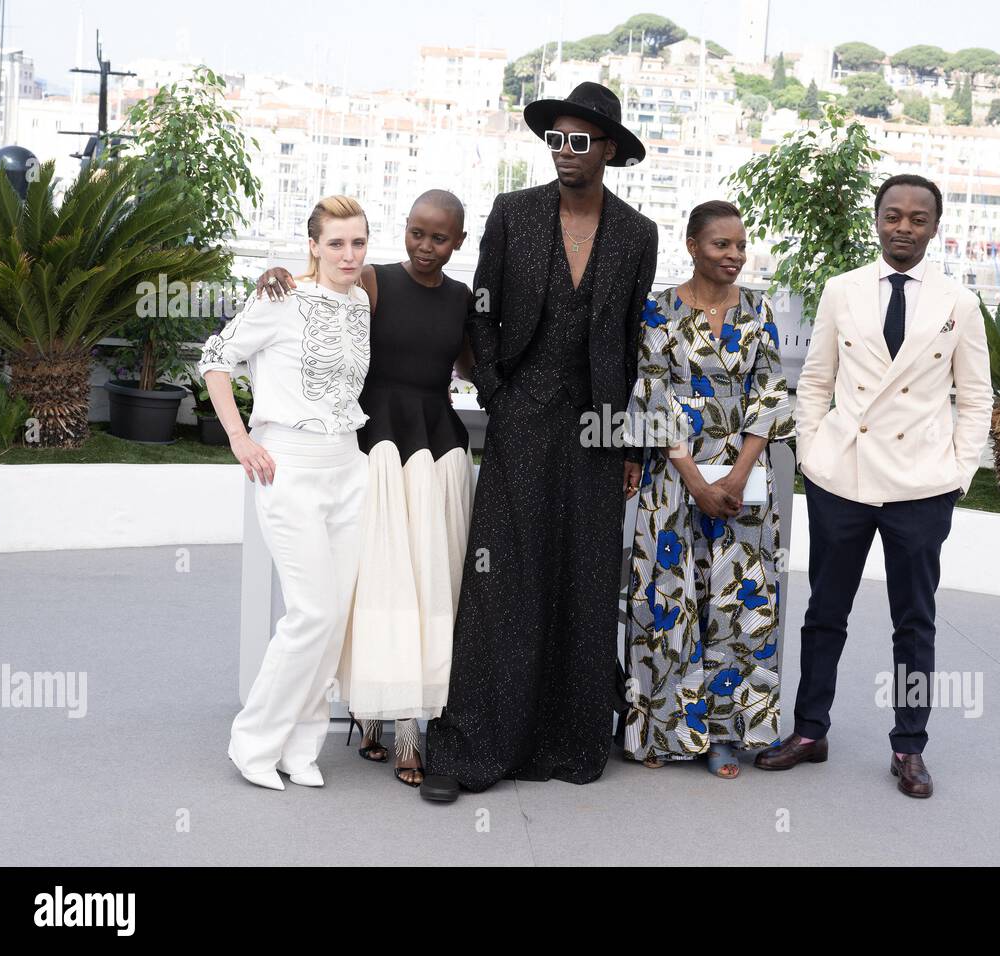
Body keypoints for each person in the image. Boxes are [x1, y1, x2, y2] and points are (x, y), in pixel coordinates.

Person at [421, 82, 658, 799]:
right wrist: (496, 391)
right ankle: (469, 748)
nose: (564, 152)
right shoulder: (513, 214)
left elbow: (629, 340)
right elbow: (482, 308)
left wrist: (626, 442)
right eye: (555, 139)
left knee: (584, 580)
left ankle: (569, 738)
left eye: (579, 141)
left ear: (608, 150)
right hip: (522, 416)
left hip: (595, 426)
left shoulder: (637, 233)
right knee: (502, 581)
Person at [756, 173, 993, 798]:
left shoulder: (957, 303)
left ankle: (909, 747)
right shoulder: (842, 290)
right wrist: (814, 453)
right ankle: (809, 730)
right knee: (824, 612)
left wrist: (958, 473)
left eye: (918, 218)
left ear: (935, 228)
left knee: (915, 621)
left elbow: (975, 398)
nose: (904, 227)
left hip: (922, 484)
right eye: (894, 215)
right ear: (878, 219)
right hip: (843, 476)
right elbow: (814, 381)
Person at [254, 191, 475, 789]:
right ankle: (370, 712)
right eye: (416, 233)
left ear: (459, 241)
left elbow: (478, 370)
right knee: (376, 583)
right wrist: (278, 274)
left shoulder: (462, 300)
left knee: (431, 584)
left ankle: (409, 724)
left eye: (440, 237)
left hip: (437, 448)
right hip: (374, 444)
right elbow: (321, 294)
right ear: (403, 230)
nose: (426, 246)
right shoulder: (373, 280)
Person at [200, 195, 372, 791]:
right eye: (336, 244)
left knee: (335, 616)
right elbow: (216, 360)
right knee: (312, 612)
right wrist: (239, 438)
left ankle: (302, 747)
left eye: (358, 243)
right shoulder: (280, 298)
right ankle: (253, 743)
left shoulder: (363, 305)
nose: (348, 255)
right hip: (289, 467)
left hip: (349, 467)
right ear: (314, 246)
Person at [620, 200, 794, 778]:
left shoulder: (757, 309)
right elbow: (651, 396)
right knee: (668, 605)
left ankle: (726, 736)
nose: (734, 256)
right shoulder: (658, 310)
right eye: (722, 245)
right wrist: (694, 479)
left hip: (741, 485)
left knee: (735, 607)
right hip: (674, 479)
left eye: (741, 246)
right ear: (693, 245)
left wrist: (738, 476)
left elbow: (770, 396)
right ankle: (666, 733)